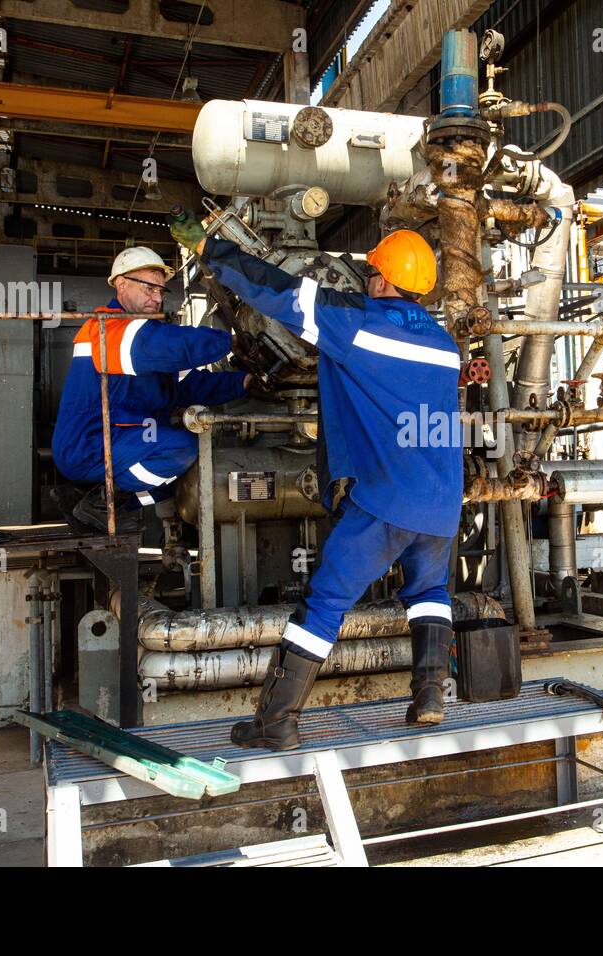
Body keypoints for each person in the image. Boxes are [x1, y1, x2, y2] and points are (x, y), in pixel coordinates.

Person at [169, 211, 463, 750]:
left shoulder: (357, 325)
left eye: (371, 272)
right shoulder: (445, 345)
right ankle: (429, 696)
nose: (368, 280)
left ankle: (276, 721)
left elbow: (280, 293)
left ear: (381, 279)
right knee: (430, 591)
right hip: (443, 502)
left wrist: (214, 252)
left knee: (324, 604)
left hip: (384, 502)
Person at [52, 246, 250, 532]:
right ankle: (103, 503)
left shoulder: (140, 336)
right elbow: (168, 347)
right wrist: (230, 341)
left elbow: (188, 385)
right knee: (180, 449)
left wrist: (243, 382)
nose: (157, 298)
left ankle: (98, 500)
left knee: (186, 469)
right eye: (149, 288)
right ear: (121, 284)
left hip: (124, 437)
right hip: (89, 444)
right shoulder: (107, 328)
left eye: (160, 291)